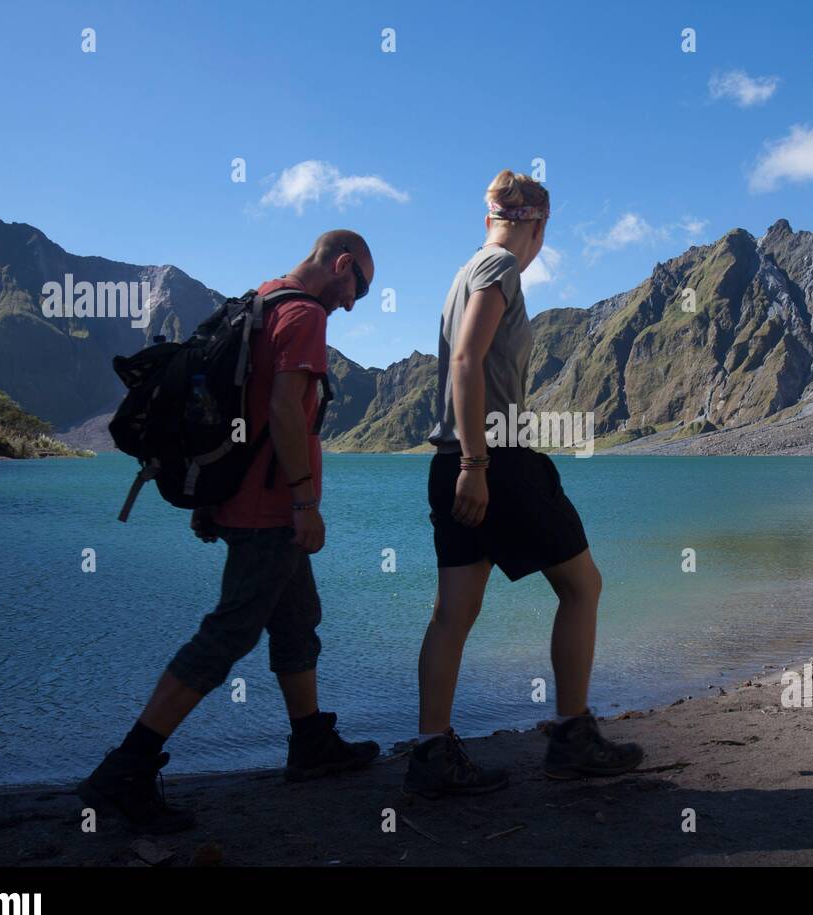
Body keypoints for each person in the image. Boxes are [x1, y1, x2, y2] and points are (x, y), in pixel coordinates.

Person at [79, 230, 380, 833]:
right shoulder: (304, 315)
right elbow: (283, 413)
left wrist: (211, 496)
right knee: (227, 634)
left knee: (297, 619)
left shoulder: (260, 301)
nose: (352, 303)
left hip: (245, 500)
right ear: (342, 264)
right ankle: (125, 771)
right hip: (272, 509)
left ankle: (310, 742)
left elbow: (233, 407)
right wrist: (304, 503)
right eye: (359, 288)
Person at [405, 171, 644, 797]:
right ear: (537, 227)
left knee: (453, 612)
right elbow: (466, 359)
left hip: (452, 459)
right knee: (582, 585)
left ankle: (431, 753)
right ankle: (572, 737)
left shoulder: (466, 271)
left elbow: (464, 360)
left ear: (489, 218)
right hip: (495, 461)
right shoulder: (500, 267)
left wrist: (462, 463)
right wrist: (477, 466)